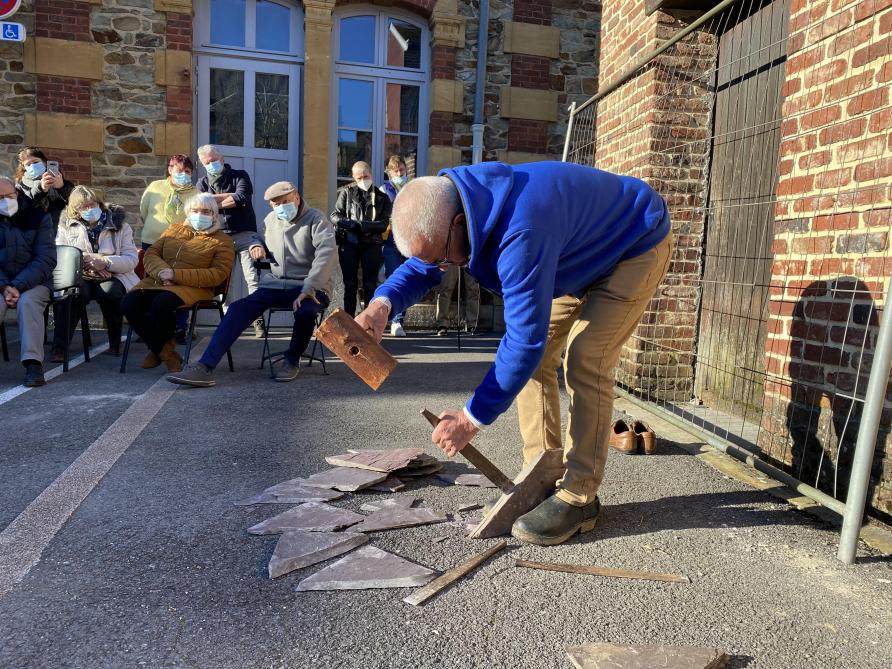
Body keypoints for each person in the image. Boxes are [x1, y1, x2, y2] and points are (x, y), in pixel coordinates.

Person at [355, 162, 672, 546]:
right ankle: (540, 476)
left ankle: (579, 495)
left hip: (632, 245)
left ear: (458, 224)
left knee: (586, 359)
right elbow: (425, 263)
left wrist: (472, 418)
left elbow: (524, 341)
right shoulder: (453, 200)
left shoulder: (521, 233)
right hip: (572, 254)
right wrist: (382, 304)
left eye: (446, 257)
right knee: (536, 362)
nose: (446, 268)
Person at [167, 181, 337, 387]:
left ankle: (292, 360)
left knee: (305, 311)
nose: (281, 207)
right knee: (238, 308)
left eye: (285, 201)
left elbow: (326, 255)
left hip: (311, 286)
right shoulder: (270, 220)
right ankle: (204, 367)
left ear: (297, 198)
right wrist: (256, 244)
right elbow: (260, 238)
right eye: (276, 204)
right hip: (275, 285)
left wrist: (309, 287)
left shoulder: (317, 219)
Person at [121, 193, 235, 373]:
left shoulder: (224, 241)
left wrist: (175, 275)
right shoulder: (173, 230)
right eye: (195, 210)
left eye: (206, 211)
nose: (200, 215)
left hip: (194, 287)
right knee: (129, 303)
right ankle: (166, 352)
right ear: (188, 213)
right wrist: (162, 273)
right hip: (158, 281)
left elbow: (217, 274)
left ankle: (158, 350)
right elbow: (151, 254)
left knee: (161, 304)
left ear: (214, 214)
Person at [52, 186, 139, 361]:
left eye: (92, 205)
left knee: (110, 292)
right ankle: (60, 347)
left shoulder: (121, 226)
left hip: (114, 274)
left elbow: (131, 259)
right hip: (80, 275)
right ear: (75, 210)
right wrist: (92, 262)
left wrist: (106, 262)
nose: (89, 210)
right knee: (72, 295)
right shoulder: (65, 226)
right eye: (83, 207)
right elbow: (61, 254)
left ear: (100, 204)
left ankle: (115, 342)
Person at [195, 144, 265, 338]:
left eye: (213, 160)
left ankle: (258, 321)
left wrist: (212, 202)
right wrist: (226, 198)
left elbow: (241, 197)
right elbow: (200, 204)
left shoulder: (240, 175)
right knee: (226, 282)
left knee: (252, 279)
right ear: (202, 164)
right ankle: (228, 321)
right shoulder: (201, 182)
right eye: (207, 163)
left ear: (222, 158)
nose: (211, 165)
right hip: (220, 237)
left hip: (245, 234)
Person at [0, 175, 56, 387]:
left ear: (17, 193)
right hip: (2, 284)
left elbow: (46, 259)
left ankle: (33, 363)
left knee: (28, 303)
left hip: (35, 282)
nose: (5, 201)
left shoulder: (38, 217)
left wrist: (17, 286)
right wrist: (5, 286)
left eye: (9, 196)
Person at [331, 161, 391, 316]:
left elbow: (383, 224)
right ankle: (349, 318)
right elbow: (335, 215)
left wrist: (361, 226)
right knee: (350, 284)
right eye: (359, 177)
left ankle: (369, 320)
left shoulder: (382, 198)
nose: (363, 180)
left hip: (372, 245)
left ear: (370, 173)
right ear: (353, 177)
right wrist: (352, 225)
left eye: (365, 176)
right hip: (350, 243)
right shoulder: (347, 193)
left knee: (370, 284)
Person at [138, 154, 196, 250]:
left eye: (187, 171)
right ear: (170, 170)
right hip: (151, 241)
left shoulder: (196, 193)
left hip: (180, 242)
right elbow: (143, 210)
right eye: (180, 170)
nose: (184, 174)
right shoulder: (155, 186)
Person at [381, 155, 410, 337]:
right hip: (391, 241)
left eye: (401, 170)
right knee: (394, 279)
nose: (399, 173)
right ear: (389, 173)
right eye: (395, 171)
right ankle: (395, 321)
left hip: (409, 241)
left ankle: (399, 319)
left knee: (407, 280)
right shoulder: (384, 190)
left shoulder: (412, 187)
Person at [14, 147, 75, 228]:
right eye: (28, 164)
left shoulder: (60, 180)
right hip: (33, 229)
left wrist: (62, 187)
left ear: (44, 162)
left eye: (35, 162)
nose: (32, 166)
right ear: (24, 167)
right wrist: (40, 189)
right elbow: (24, 207)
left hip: (59, 228)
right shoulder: (20, 186)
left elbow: (76, 202)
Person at [433, 264, 480, 336]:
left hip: (469, 255)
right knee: (446, 287)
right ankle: (442, 324)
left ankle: (472, 324)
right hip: (451, 255)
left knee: (473, 289)